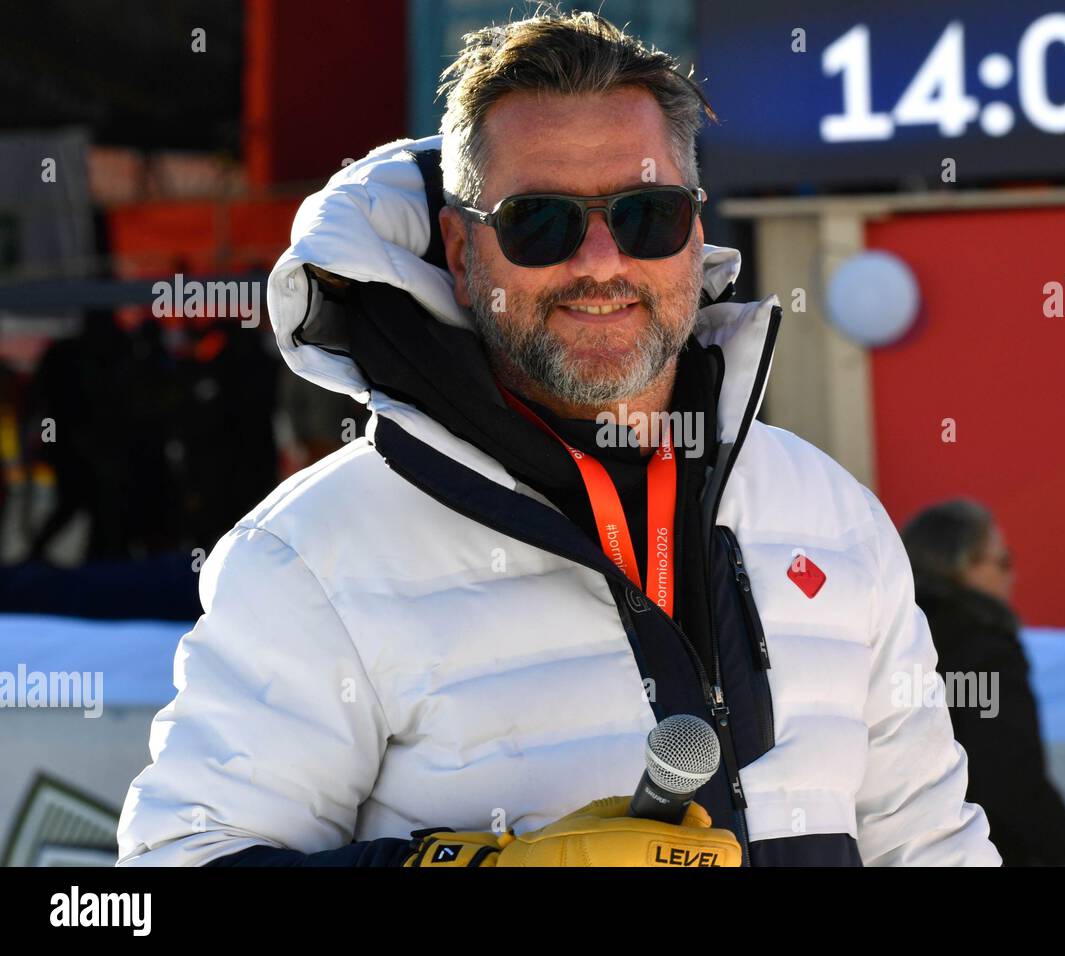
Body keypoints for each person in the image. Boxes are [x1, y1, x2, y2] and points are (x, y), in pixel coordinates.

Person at [116, 9, 999, 867]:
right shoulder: (313, 553)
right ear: (462, 253)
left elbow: (929, 847)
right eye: (542, 223)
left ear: (695, 230)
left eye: (647, 213)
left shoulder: (832, 514)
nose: (602, 262)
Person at [902, 499, 1065, 866]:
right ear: (962, 566)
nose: (1012, 575)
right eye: (1003, 561)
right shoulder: (981, 647)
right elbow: (1007, 772)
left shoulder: (896, 640)